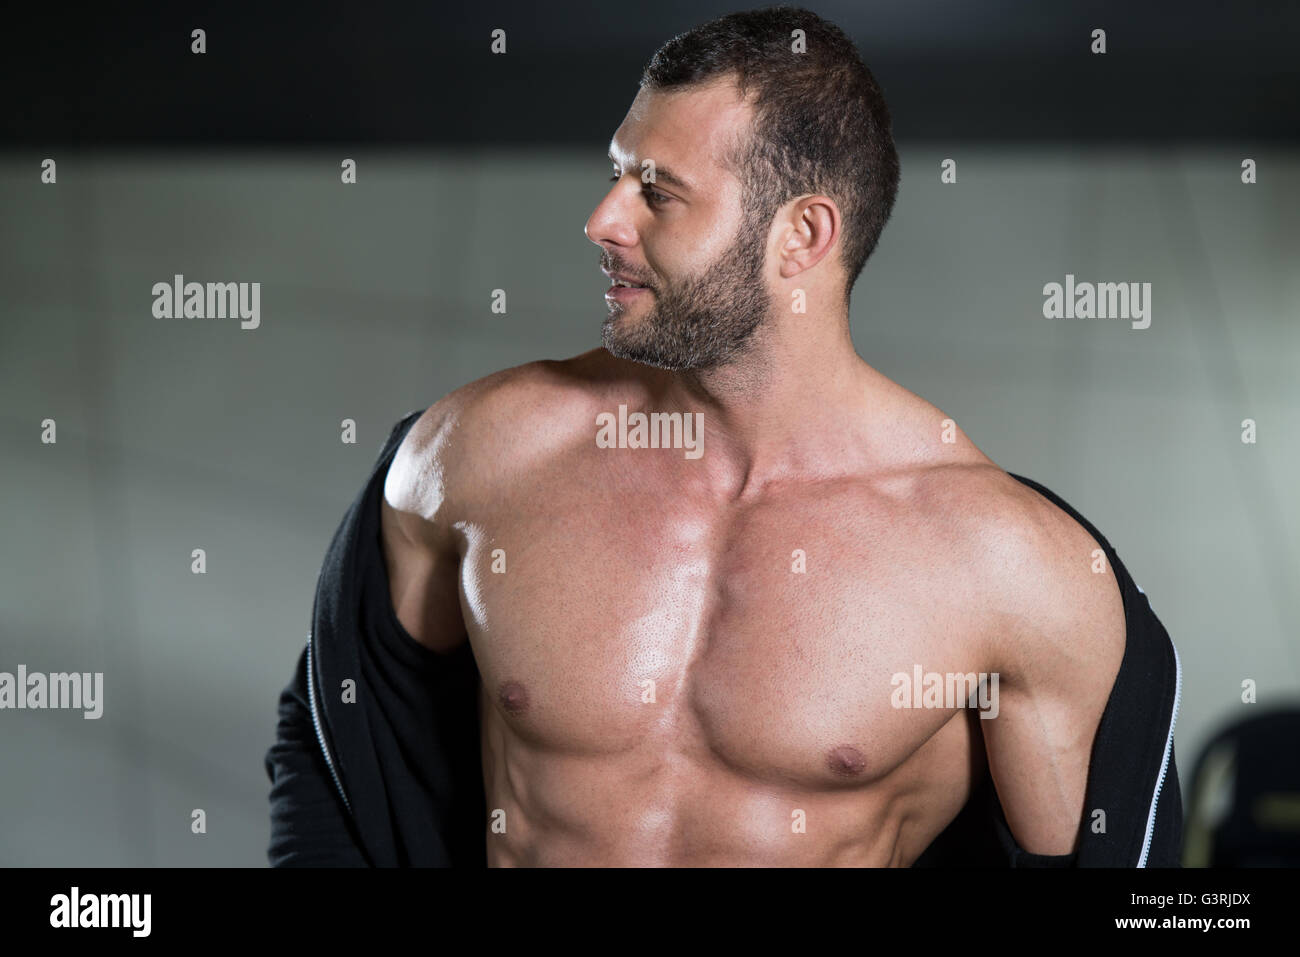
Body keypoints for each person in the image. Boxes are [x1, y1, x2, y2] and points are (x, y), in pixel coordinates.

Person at [266, 6, 1182, 867]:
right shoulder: (479, 453)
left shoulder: (1010, 568)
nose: (603, 220)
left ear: (803, 236)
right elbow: (335, 741)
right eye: (618, 172)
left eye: (658, 193)